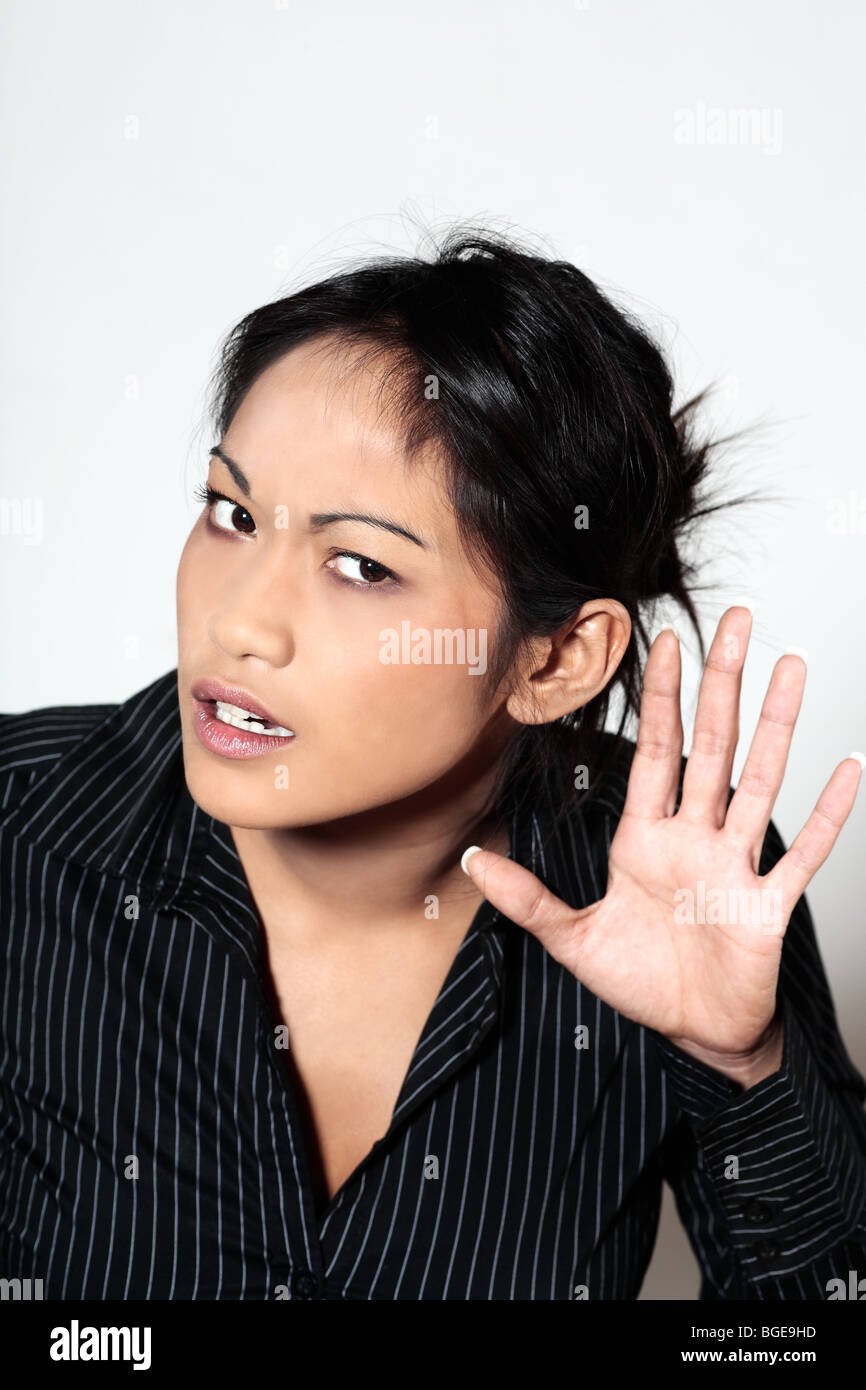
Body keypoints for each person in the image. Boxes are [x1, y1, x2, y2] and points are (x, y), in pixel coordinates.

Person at [1, 225, 864, 1301]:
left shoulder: (672, 887)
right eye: (231, 514)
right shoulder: (20, 834)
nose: (240, 626)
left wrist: (744, 1067)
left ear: (551, 661)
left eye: (359, 565)